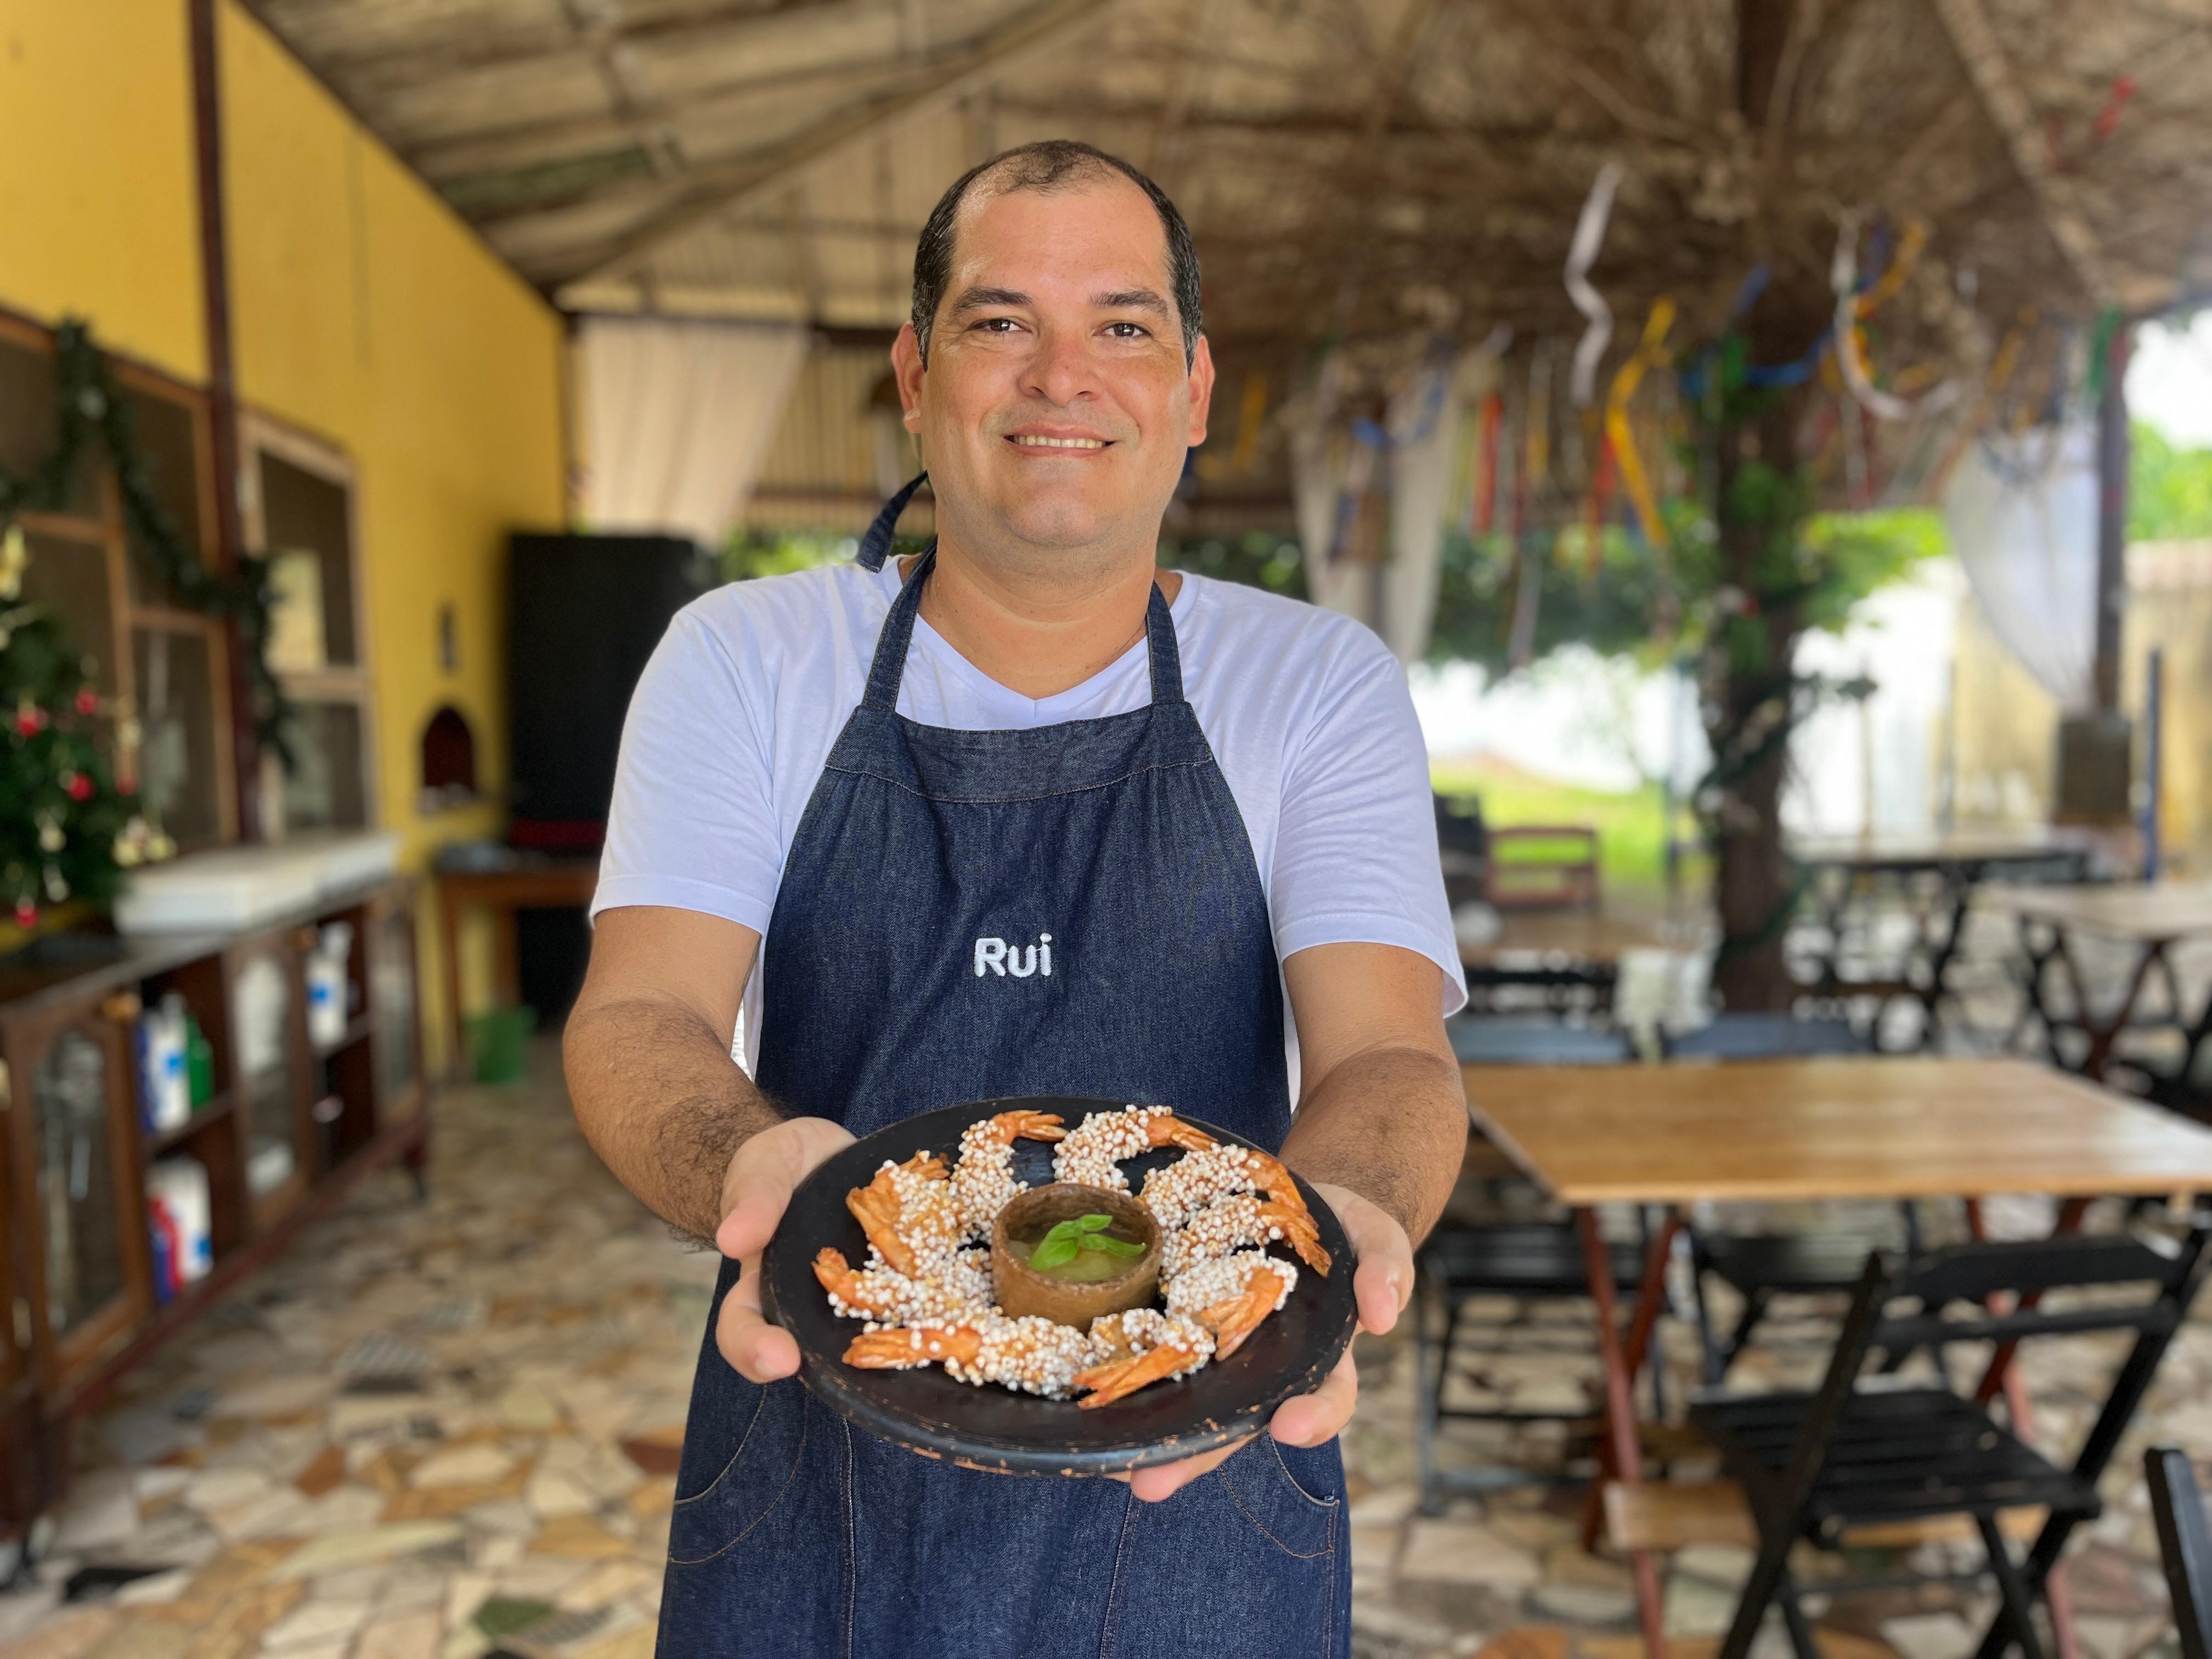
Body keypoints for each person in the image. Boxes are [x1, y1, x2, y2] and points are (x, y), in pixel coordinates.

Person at [565, 138, 1469, 1658]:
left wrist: (1338, 1231)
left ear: (1193, 389)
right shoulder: (744, 659)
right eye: (1001, 324)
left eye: (1124, 326)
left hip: (1207, 1451)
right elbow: (640, 1015)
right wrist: (760, 1178)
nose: (1064, 377)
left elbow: (1385, 1055)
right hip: (821, 1438)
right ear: (916, 378)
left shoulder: (1315, 686)